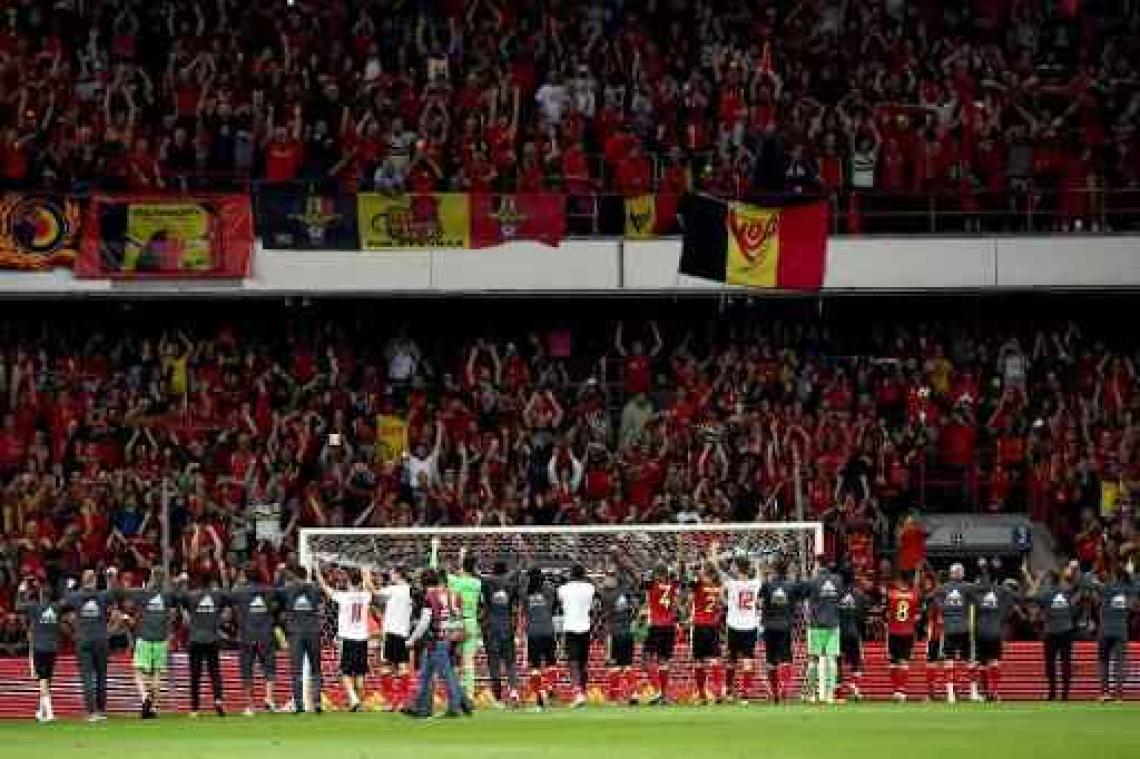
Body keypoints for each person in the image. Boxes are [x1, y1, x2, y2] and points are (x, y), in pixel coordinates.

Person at [405, 569, 469, 719]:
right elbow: (458, 616)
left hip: (437, 639)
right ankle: (420, 707)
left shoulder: (430, 596)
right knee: (426, 674)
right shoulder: (450, 594)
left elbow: (424, 622)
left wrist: (412, 639)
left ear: (424, 583)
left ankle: (455, 706)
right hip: (448, 637)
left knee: (446, 674)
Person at [62, 568, 119, 722]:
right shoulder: (102, 595)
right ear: (94, 581)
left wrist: (68, 585)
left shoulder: (76, 596)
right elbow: (113, 592)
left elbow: (65, 598)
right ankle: (101, 711)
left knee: (87, 677)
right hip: (101, 640)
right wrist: (112, 576)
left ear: (82, 581)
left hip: (83, 640)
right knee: (101, 676)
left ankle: (92, 713)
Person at [315, 564, 372, 712]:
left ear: (348, 582)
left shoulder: (344, 597)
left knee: (345, 672)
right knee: (360, 672)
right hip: (362, 639)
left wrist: (317, 572)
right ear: (360, 582)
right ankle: (358, 702)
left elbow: (325, 588)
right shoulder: (366, 596)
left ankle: (353, 700)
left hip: (347, 638)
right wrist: (367, 573)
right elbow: (367, 586)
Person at [123, 567, 176, 719]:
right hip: (161, 638)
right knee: (157, 674)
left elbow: (127, 596)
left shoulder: (143, 593)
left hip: (145, 637)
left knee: (138, 672)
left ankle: (145, 696)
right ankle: (152, 708)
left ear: (152, 576)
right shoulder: (167, 595)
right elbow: (171, 615)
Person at [177, 569, 230, 718]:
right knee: (215, 673)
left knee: (195, 676)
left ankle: (194, 709)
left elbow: (179, 598)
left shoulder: (191, 595)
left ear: (198, 581)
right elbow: (230, 599)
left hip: (195, 639)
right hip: (212, 638)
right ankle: (218, 700)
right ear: (212, 582)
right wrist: (220, 617)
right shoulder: (218, 595)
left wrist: (182, 582)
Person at [230, 564, 280, 715]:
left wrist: (238, 582)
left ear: (245, 575)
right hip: (265, 635)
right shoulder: (269, 590)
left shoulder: (239, 591)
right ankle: (269, 699)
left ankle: (250, 706)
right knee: (269, 668)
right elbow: (275, 604)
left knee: (247, 671)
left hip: (247, 636)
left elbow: (230, 599)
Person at [1028, 564, 1081, 701]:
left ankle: (1052, 693)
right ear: (1060, 580)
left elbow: (1030, 595)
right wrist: (1073, 571)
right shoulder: (1067, 592)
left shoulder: (1046, 595)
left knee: (1050, 664)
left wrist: (1039, 579)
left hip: (1051, 633)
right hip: (1066, 631)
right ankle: (1065, 695)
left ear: (1049, 581)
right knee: (1066, 663)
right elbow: (1080, 587)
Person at [278, 566, 324, 713]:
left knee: (296, 670)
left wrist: (282, 573)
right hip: (313, 632)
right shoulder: (315, 589)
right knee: (316, 669)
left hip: (295, 633)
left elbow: (276, 592)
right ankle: (317, 703)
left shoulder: (288, 590)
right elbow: (321, 600)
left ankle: (299, 704)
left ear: (293, 575)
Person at [1089, 563, 1138, 702]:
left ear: (1114, 575)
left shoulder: (1107, 587)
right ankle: (1119, 695)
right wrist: (1131, 575)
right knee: (1120, 662)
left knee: (1103, 661)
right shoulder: (1130, 589)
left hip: (1105, 630)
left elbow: (1089, 582)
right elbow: (1133, 606)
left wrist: (1093, 573)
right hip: (1121, 630)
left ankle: (1105, 693)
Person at [931, 563, 978, 703]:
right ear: (961, 573)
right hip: (964, 628)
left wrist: (944, 610)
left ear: (951, 574)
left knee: (949, 660)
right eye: (961, 572)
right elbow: (978, 599)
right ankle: (973, 693)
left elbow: (934, 599)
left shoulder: (942, 588)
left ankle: (951, 694)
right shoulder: (969, 587)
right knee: (970, 660)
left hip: (949, 628)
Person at [18, 580, 62, 722]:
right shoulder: (56, 607)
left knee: (43, 679)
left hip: (40, 647)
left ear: (41, 594)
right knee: (47, 679)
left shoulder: (34, 607)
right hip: (53, 648)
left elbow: (17, 606)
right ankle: (41, 711)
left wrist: (21, 591)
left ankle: (49, 713)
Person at [481, 559, 522, 708]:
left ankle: (498, 699)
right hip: (507, 626)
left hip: (491, 627)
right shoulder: (511, 584)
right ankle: (514, 692)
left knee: (494, 662)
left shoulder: (487, 582)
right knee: (510, 661)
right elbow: (515, 574)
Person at [759, 562, 801, 702]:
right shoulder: (792, 586)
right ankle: (784, 688)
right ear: (786, 571)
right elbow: (797, 603)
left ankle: (775, 692)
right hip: (785, 626)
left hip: (769, 627)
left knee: (771, 660)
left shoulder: (766, 585)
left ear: (774, 571)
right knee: (786, 659)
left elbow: (758, 604)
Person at [375, 566, 415, 711]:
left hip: (391, 632)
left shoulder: (393, 589)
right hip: (404, 632)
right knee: (402, 666)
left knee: (386, 666)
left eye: (392, 574)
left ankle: (390, 701)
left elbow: (375, 593)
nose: (390, 576)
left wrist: (366, 577)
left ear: (398, 575)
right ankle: (403, 700)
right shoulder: (410, 590)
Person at [722, 556, 761, 704]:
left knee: (731, 659)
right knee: (748, 659)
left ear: (737, 568)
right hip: (750, 626)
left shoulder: (732, 584)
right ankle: (745, 693)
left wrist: (713, 555)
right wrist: (756, 565)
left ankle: (729, 691)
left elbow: (720, 578)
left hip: (734, 625)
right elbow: (759, 576)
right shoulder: (756, 584)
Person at [973, 576, 1019, 701]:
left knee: (982, 663)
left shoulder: (978, 596)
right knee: (994, 661)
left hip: (980, 632)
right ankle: (994, 692)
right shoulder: (1003, 598)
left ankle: (986, 692)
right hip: (994, 632)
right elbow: (1008, 614)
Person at [804, 564, 844, 704]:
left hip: (816, 626)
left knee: (813, 660)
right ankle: (829, 695)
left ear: (817, 569)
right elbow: (841, 598)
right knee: (831, 660)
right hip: (833, 625)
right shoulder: (838, 581)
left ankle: (812, 694)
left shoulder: (812, 581)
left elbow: (806, 598)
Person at [599, 564, 638, 705]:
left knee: (615, 666)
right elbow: (632, 581)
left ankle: (614, 698)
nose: (606, 579)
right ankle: (634, 694)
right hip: (627, 631)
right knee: (627, 666)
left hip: (616, 632)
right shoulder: (624, 590)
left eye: (608, 576)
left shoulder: (606, 594)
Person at [558, 564, 596, 708]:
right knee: (583, 662)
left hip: (571, 627)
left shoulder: (563, 589)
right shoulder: (589, 588)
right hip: (585, 627)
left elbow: (560, 599)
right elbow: (593, 589)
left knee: (573, 662)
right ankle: (583, 693)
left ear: (571, 574)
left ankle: (577, 693)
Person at [642, 563, 680, 705]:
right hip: (669, 626)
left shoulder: (651, 585)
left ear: (657, 575)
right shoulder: (672, 586)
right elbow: (677, 578)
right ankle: (663, 696)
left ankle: (658, 690)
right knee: (663, 661)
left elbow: (643, 579)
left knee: (646, 659)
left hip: (655, 626)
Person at [524, 568, 558, 712]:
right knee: (551, 662)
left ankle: (539, 698)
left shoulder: (526, 594)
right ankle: (550, 687)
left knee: (535, 667)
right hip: (549, 630)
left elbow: (525, 610)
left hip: (534, 632)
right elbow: (553, 603)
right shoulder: (549, 591)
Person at [689, 562, 723, 705]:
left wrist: (693, 571)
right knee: (715, 659)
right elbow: (720, 605)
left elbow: (691, 581)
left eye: (702, 570)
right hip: (713, 626)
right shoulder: (718, 587)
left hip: (700, 625)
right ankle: (717, 692)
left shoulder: (698, 584)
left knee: (699, 661)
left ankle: (702, 694)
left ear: (705, 572)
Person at [885, 571, 920, 702]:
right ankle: (902, 691)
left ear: (900, 581)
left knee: (893, 663)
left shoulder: (892, 594)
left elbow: (887, 614)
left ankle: (896, 690)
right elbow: (917, 616)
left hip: (894, 631)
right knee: (904, 662)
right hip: (908, 632)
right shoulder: (914, 595)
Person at [837, 581, 870, 701]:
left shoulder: (837, 594)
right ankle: (855, 688)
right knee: (856, 662)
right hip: (854, 633)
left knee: (838, 662)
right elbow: (863, 617)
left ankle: (839, 693)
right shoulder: (860, 596)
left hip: (839, 633)